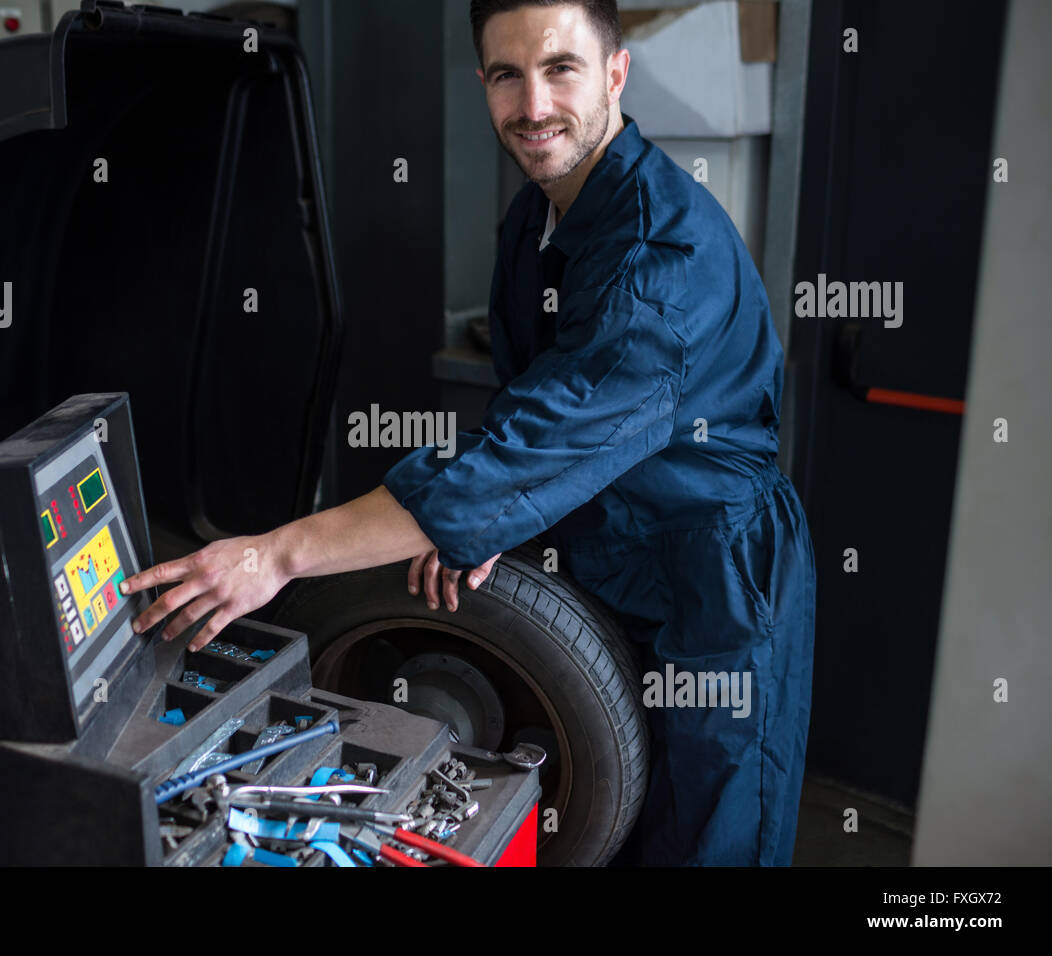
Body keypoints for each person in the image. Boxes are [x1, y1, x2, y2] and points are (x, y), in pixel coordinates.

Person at [120, 0, 816, 866]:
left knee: (707, 839)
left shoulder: (659, 258)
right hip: (607, 546)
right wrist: (503, 515)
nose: (532, 104)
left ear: (615, 73)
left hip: (712, 577)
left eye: (560, 68)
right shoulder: (536, 219)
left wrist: (275, 556)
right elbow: (531, 412)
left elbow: (530, 447)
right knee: (613, 824)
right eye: (505, 75)